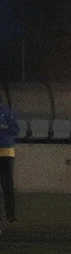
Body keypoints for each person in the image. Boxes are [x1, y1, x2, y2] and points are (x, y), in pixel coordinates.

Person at [0, 94, 17, 225]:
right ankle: (10, 216)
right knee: (8, 186)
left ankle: (10, 215)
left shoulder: (8, 113)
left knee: (7, 186)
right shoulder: (9, 112)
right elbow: (15, 130)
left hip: (6, 152)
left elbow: (15, 130)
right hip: (7, 152)